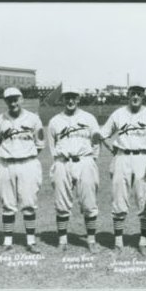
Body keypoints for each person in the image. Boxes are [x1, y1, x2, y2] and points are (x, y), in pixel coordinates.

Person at [99, 85, 146, 254]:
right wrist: (112, 149)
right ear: (128, 95)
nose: (135, 96)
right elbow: (102, 134)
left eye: (139, 94)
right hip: (122, 157)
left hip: (143, 158)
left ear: (143, 96)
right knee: (119, 199)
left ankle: (143, 241)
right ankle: (118, 243)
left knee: (145, 200)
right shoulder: (118, 114)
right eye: (132, 93)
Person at [46, 87, 104, 253]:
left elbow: (96, 142)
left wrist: (91, 160)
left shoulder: (88, 118)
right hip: (63, 162)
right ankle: (62, 240)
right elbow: (52, 146)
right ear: (62, 99)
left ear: (78, 99)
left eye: (73, 97)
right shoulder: (55, 121)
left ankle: (91, 240)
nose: (70, 101)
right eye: (67, 98)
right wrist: (59, 161)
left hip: (85, 161)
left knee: (89, 202)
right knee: (61, 202)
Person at [0, 87, 46, 253]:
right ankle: (8, 241)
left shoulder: (33, 119)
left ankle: (30, 241)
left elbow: (40, 143)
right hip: (6, 164)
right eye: (9, 99)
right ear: (5, 101)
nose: (13, 102)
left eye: (15, 99)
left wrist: (25, 155)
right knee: (8, 204)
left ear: (21, 99)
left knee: (29, 203)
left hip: (28, 164)